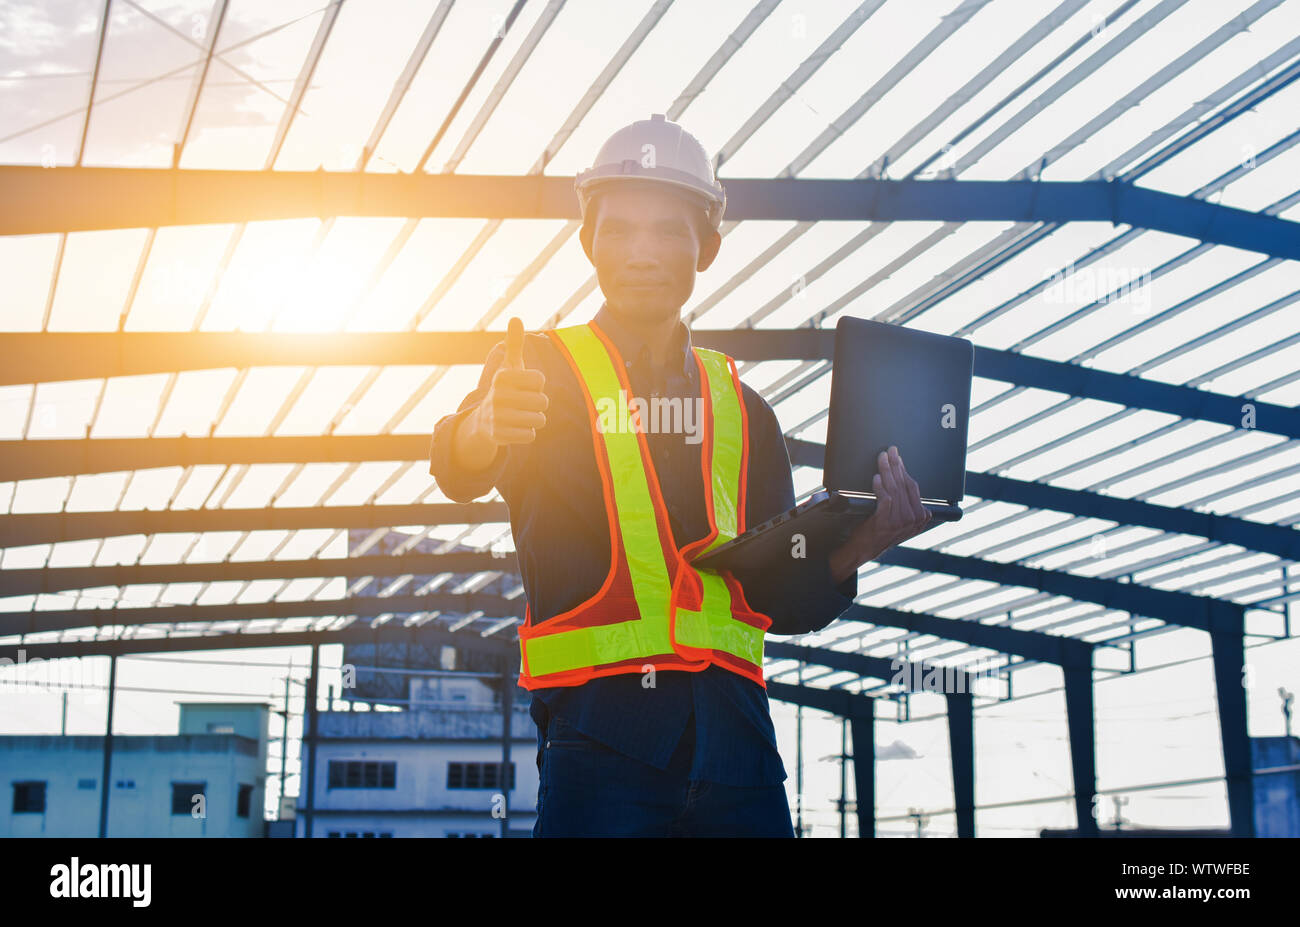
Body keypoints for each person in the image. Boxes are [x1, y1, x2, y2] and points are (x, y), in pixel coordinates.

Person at [428, 114, 931, 837]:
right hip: (600, 742)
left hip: (740, 754)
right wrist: (483, 427)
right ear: (588, 242)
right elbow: (458, 465)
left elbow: (779, 595)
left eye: (669, 230)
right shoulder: (538, 370)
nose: (642, 252)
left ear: (707, 249)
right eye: (620, 229)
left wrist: (865, 542)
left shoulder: (745, 408)